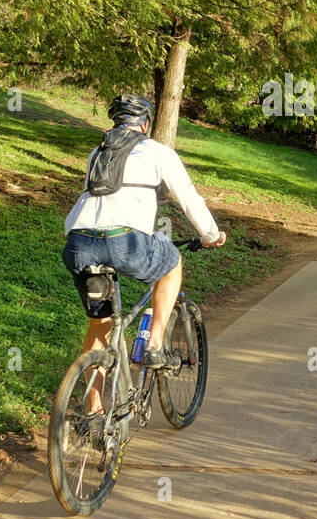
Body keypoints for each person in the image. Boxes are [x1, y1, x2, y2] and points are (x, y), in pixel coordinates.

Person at [62, 94, 226, 412]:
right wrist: (210, 234)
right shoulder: (155, 150)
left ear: (116, 122)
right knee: (171, 263)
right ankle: (153, 345)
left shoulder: (97, 152)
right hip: (124, 241)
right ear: (146, 123)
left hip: (79, 244)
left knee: (100, 326)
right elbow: (187, 196)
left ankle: (93, 410)